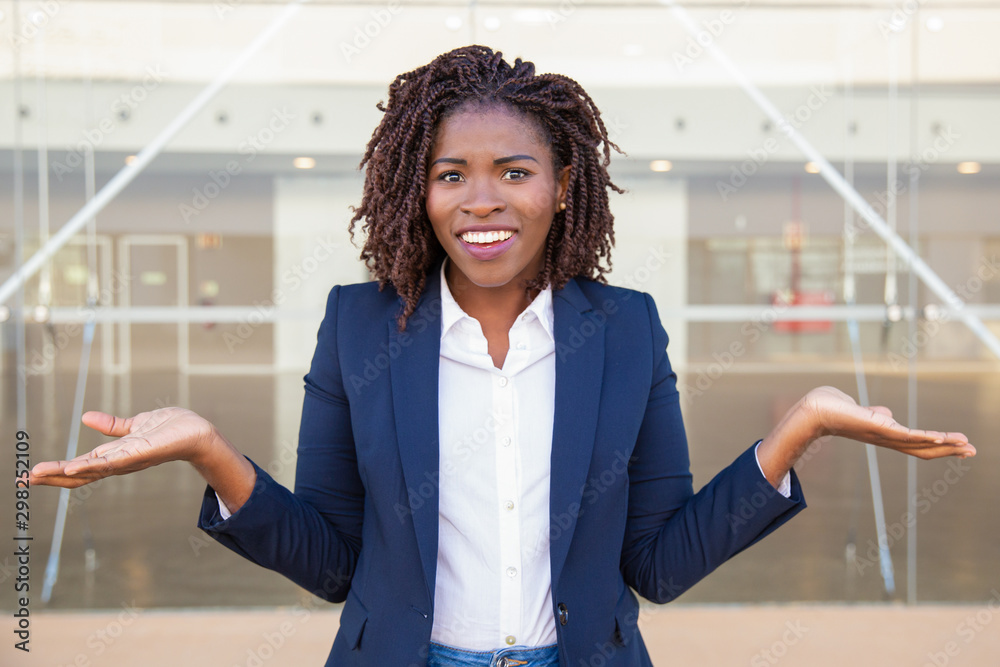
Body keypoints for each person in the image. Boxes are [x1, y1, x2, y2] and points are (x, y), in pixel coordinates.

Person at [30, 45, 975, 667]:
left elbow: (658, 562)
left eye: (514, 172)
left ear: (563, 187)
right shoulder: (360, 328)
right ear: (419, 190)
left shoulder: (626, 329)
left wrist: (798, 427)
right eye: (451, 175)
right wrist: (210, 451)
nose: (481, 200)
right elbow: (332, 564)